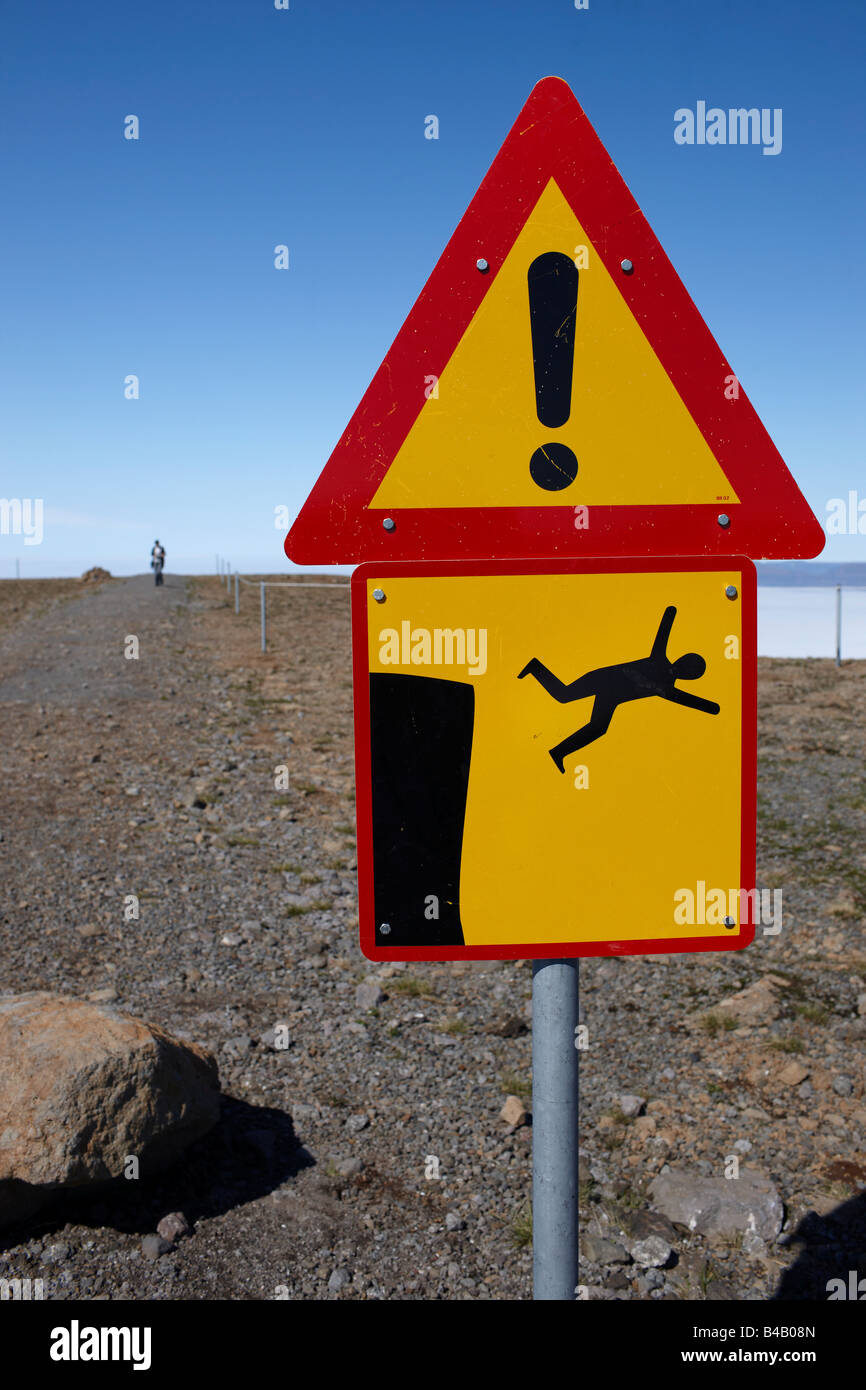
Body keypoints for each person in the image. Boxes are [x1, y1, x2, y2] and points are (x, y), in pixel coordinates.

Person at [518, 605, 720, 772]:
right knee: (563, 695)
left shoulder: (668, 689)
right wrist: (671, 612)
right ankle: (536, 667)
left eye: (689, 671)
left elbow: (694, 702)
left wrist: (714, 708)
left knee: (598, 728)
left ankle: (558, 752)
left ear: (688, 677)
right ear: (681, 659)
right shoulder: (659, 659)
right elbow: (663, 631)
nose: (683, 669)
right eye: (686, 664)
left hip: (611, 697)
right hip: (604, 678)